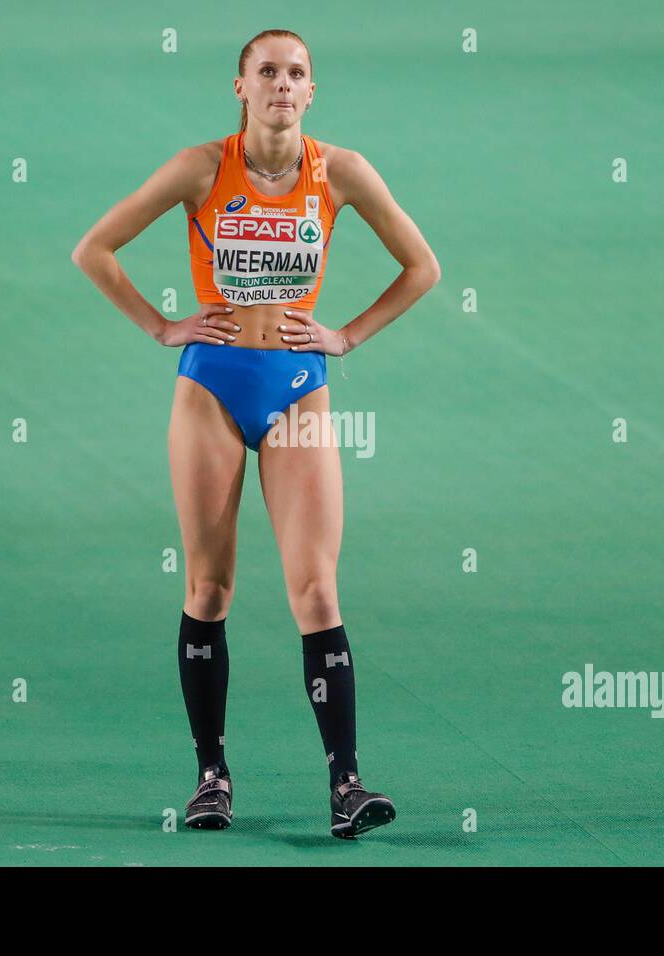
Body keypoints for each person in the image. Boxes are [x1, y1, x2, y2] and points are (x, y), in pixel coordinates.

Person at [72, 29, 441, 837]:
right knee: (209, 587)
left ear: (313, 93)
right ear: (238, 87)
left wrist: (345, 335)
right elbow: (93, 249)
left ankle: (347, 784)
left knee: (316, 588)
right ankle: (211, 778)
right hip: (211, 386)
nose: (282, 83)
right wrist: (162, 326)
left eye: (296, 73)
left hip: (297, 389)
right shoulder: (200, 168)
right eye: (267, 71)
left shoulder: (338, 172)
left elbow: (423, 266)